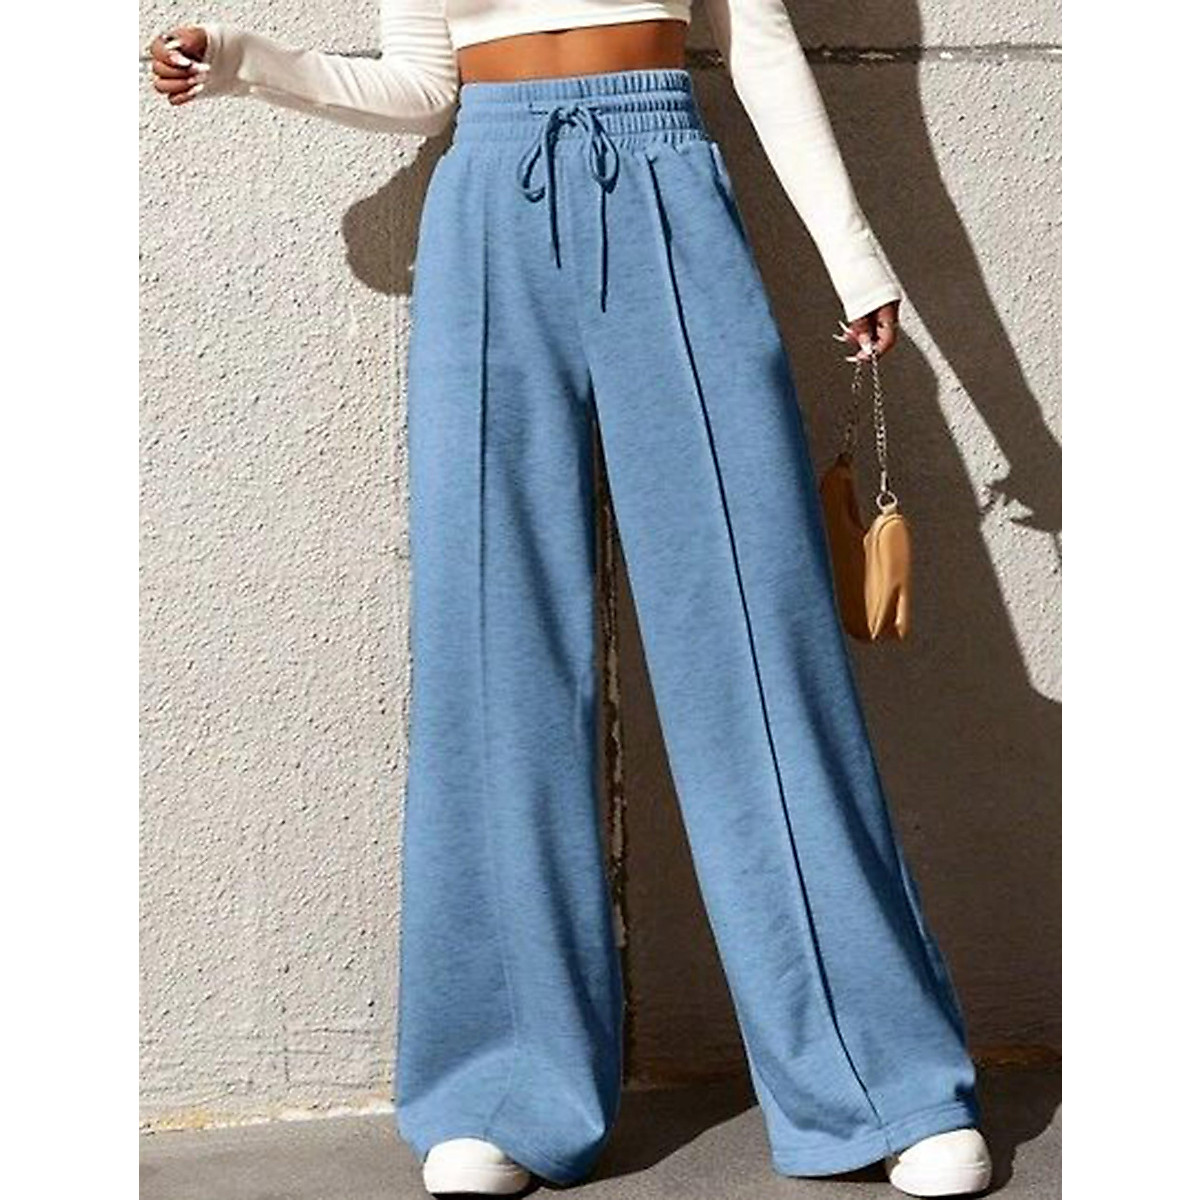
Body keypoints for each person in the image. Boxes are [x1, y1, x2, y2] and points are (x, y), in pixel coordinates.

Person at [147, 3, 993, 1197]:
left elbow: (757, 47)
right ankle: (502, 1085)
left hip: (666, 179)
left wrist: (853, 259)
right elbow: (422, 88)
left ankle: (879, 1081)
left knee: (756, 644)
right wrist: (245, 64)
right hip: (488, 206)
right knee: (493, 646)